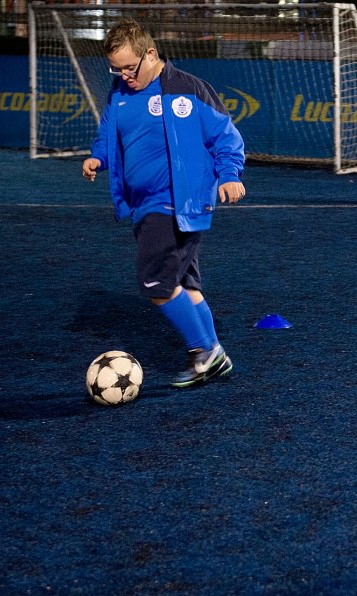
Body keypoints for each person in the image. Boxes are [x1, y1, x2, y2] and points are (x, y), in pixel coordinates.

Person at [81, 19, 246, 388]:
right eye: (116, 68)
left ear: (150, 54)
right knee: (185, 285)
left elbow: (225, 137)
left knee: (154, 282)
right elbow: (109, 133)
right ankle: (212, 354)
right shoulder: (119, 93)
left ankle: (205, 351)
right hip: (142, 205)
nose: (124, 75)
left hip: (178, 203)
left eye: (129, 67)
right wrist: (98, 158)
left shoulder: (187, 89)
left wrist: (231, 174)